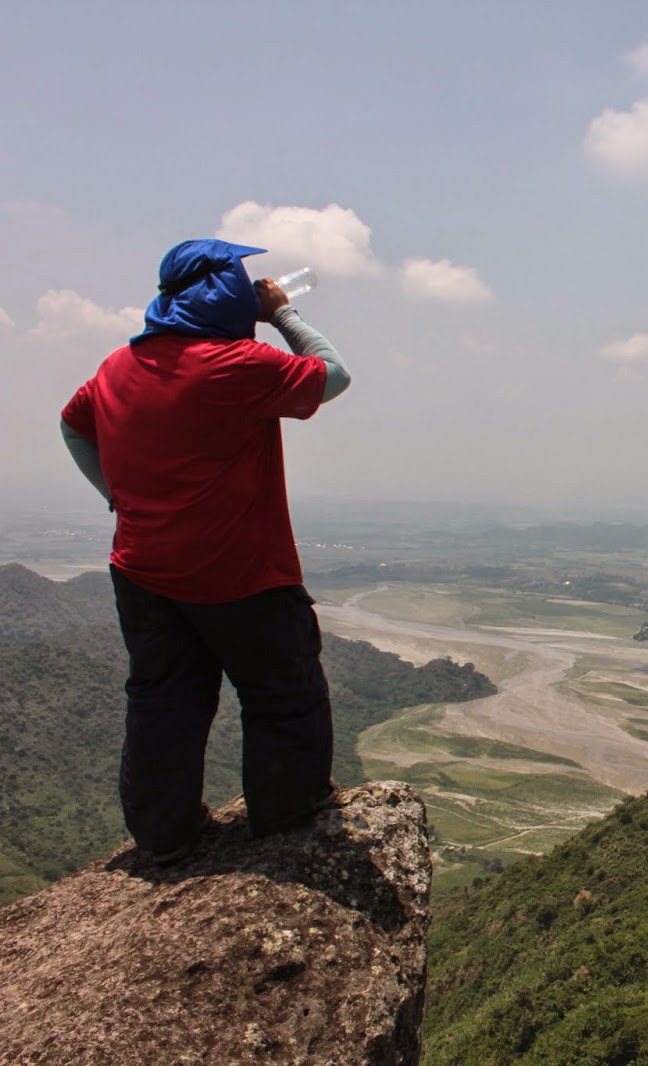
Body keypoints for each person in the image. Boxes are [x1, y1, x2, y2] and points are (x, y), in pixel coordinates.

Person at [60, 238, 352, 862]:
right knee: (282, 693)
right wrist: (282, 312)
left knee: (164, 700)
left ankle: (163, 836)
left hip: (142, 570)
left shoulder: (118, 366)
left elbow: (73, 425)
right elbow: (333, 375)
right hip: (242, 572)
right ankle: (288, 816)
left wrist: (115, 496)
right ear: (224, 293)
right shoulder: (237, 364)